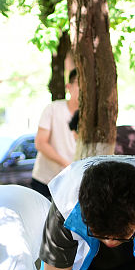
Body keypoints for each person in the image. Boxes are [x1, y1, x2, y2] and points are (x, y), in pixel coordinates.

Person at [30, 69, 80, 200]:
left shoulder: (90, 116)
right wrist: (66, 164)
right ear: (69, 87)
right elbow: (40, 143)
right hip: (45, 180)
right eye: (79, 83)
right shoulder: (53, 109)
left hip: (71, 184)